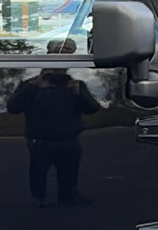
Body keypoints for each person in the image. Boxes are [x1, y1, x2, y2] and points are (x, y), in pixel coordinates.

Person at [6, 39, 100, 205]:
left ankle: (69, 198)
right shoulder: (32, 85)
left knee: (69, 176)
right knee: (38, 177)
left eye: (68, 56)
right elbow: (13, 107)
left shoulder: (74, 86)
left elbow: (92, 109)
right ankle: (38, 202)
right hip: (41, 142)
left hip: (69, 141)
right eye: (59, 55)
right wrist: (34, 87)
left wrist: (80, 94)